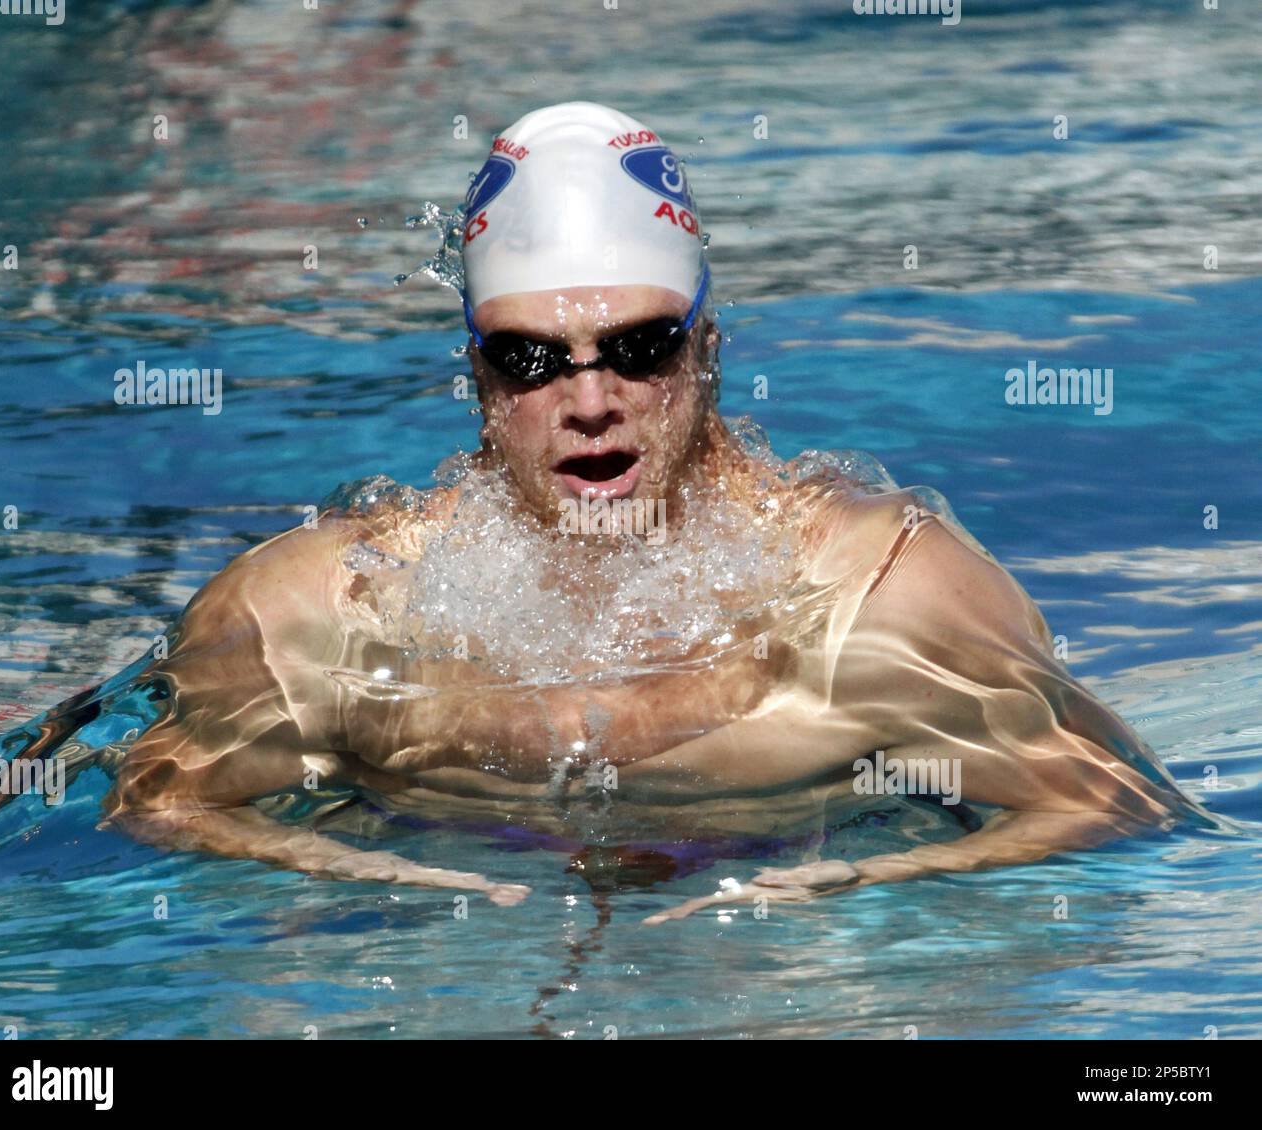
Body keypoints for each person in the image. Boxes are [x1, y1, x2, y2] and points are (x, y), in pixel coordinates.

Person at [72, 102, 1202, 920]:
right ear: (478, 382)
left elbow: (1119, 811)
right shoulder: (326, 606)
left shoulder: (875, 595)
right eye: (532, 360)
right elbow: (153, 799)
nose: (592, 400)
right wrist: (372, 876)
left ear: (707, 350)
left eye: (639, 347)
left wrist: (854, 880)